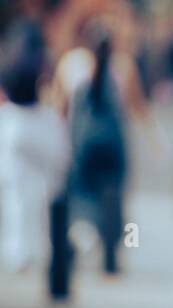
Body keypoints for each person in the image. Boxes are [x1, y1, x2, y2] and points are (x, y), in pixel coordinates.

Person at [0, 33, 69, 275]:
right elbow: (59, 157)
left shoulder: (8, 118)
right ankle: (32, 254)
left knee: (17, 207)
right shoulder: (45, 120)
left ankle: (20, 255)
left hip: (15, 163)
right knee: (35, 209)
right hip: (37, 167)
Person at [67, 28, 128, 276]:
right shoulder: (123, 69)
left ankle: (79, 241)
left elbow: (63, 109)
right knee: (112, 197)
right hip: (112, 146)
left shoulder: (73, 66)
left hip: (85, 146)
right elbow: (134, 107)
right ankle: (110, 258)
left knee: (82, 197)